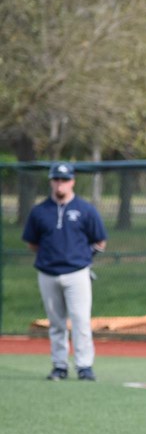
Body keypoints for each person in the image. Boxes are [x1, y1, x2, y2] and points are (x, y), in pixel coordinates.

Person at [22, 162, 107, 381]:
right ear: (51, 181)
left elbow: (100, 240)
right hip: (48, 273)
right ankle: (59, 365)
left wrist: (81, 257)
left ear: (72, 181)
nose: (61, 184)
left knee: (80, 321)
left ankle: (84, 366)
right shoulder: (40, 211)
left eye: (65, 179)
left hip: (76, 272)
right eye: (57, 179)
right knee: (56, 322)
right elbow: (32, 243)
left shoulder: (85, 209)